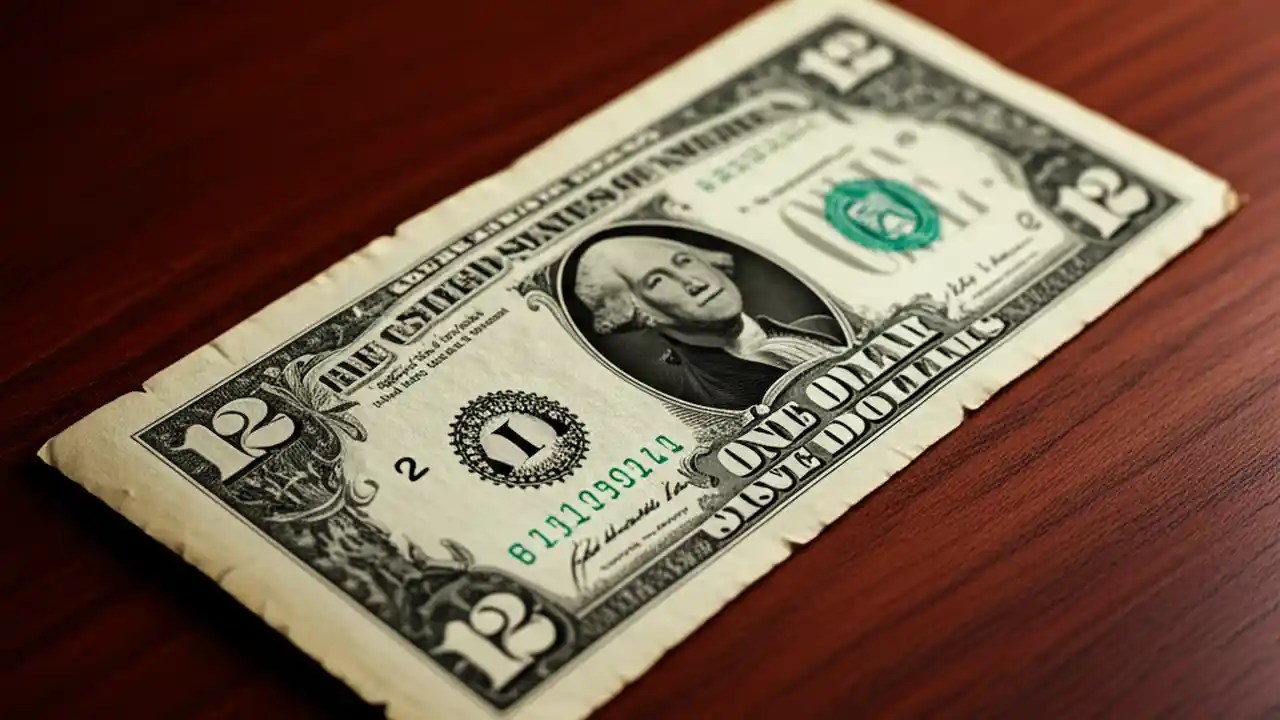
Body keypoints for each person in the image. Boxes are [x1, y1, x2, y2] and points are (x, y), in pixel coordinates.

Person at [573, 234, 843, 410]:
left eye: (685, 261)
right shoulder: (703, 399)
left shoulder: (821, 329)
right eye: (657, 281)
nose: (695, 282)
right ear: (637, 311)